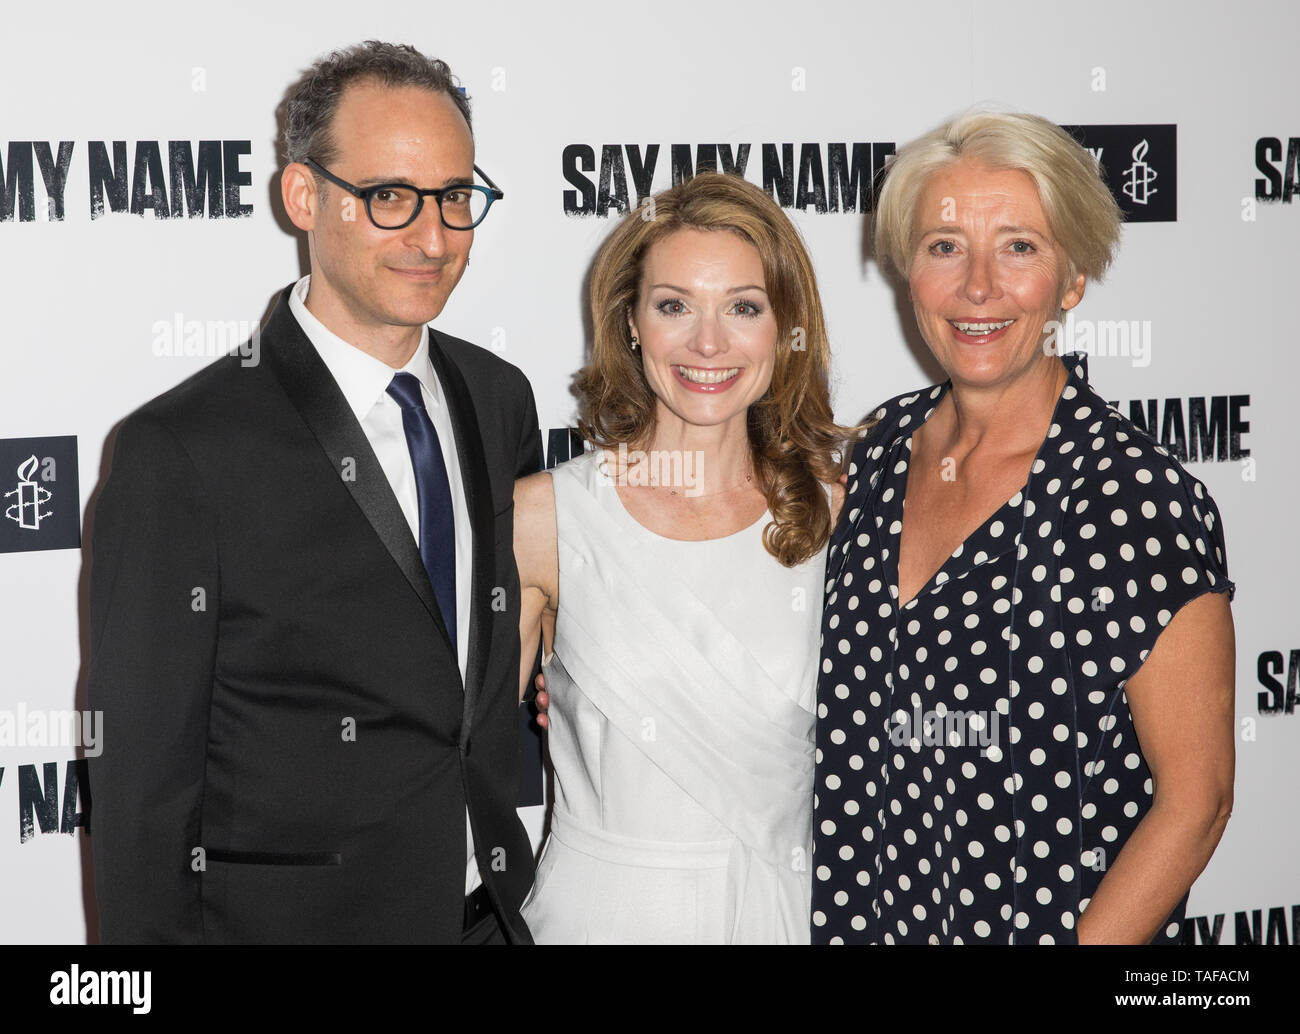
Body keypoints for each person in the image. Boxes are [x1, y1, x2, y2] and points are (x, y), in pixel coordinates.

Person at [86, 41, 541, 944]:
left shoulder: (499, 398)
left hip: (487, 920)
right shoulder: (179, 451)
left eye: (455, 198)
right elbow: (140, 792)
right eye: (389, 198)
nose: (434, 236)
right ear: (304, 198)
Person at [813, 109, 1236, 944]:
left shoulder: (1134, 502)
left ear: (1071, 280)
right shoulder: (872, 455)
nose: (978, 287)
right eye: (943, 247)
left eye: (1019, 247)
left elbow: (1198, 801)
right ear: (908, 272)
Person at [513, 172, 852, 943]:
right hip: (598, 917)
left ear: (783, 327)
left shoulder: (841, 514)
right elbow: (447, 756)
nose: (709, 342)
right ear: (631, 322)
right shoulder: (544, 516)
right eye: (674, 306)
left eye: (743, 307)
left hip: (784, 914)